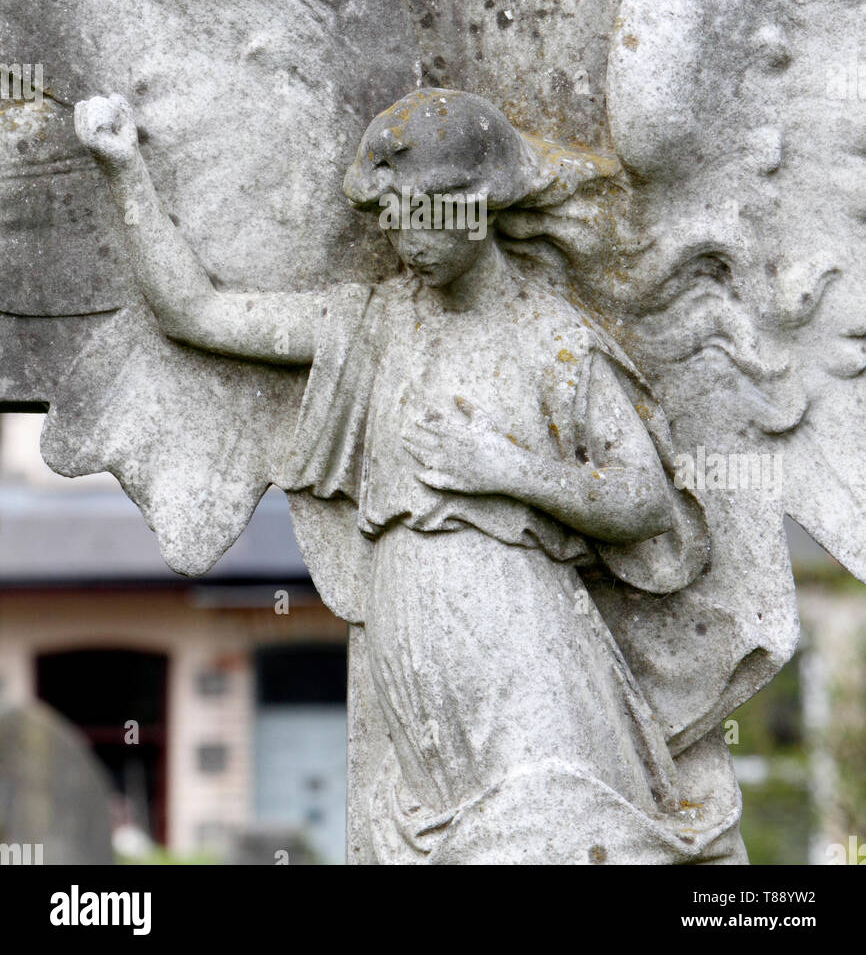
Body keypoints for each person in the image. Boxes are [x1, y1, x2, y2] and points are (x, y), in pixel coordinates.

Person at [75, 87, 739, 864]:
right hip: (413, 688)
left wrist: (508, 470)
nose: (403, 238)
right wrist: (124, 168)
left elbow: (643, 500)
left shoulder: (549, 337)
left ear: (477, 208)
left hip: (527, 664)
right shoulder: (374, 325)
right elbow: (197, 313)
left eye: (419, 214)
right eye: (388, 218)